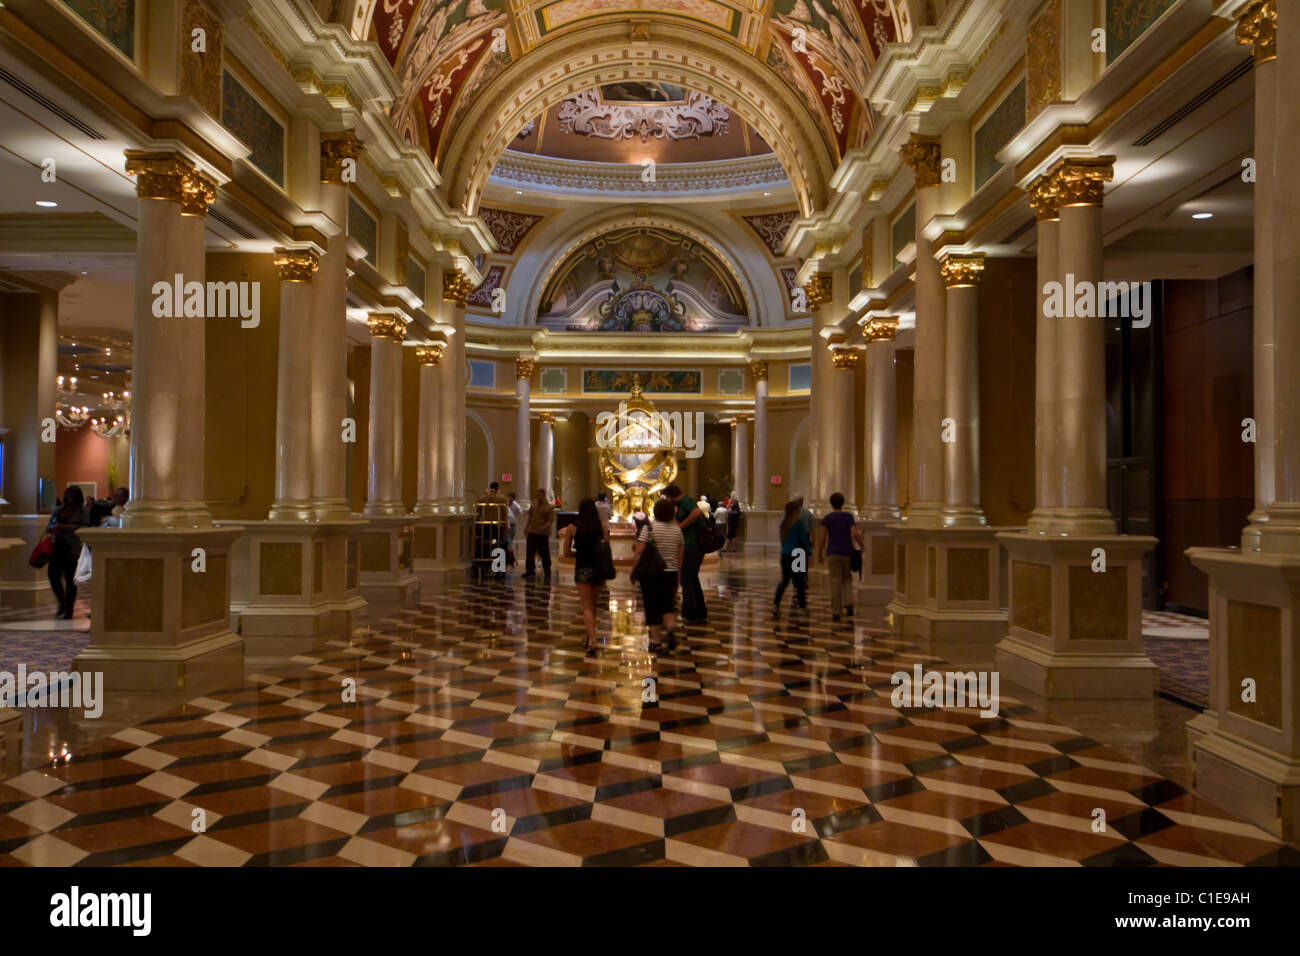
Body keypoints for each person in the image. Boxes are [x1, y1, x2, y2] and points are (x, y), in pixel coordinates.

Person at [634, 497, 684, 653]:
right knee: (668, 605)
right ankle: (669, 629)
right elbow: (680, 556)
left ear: (655, 512)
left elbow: (639, 551)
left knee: (652, 607)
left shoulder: (648, 528)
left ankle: (656, 643)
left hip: (651, 574)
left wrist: (634, 569)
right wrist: (678, 575)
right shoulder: (677, 530)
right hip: (671, 573)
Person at [562, 497, 609, 655]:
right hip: (598, 569)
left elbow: (566, 552)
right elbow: (606, 548)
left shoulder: (572, 527)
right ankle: (587, 636)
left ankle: (594, 642)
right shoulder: (601, 526)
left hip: (582, 568)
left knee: (587, 607)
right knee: (593, 606)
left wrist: (579, 554)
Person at [817, 492, 864, 622]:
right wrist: (862, 545)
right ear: (843, 503)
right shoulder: (848, 517)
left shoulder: (827, 518)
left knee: (835, 581)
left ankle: (836, 612)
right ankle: (849, 603)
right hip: (846, 553)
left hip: (832, 552)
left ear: (831, 503)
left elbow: (822, 538)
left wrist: (820, 552)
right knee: (847, 578)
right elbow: (854, 533)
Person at [665, 483, 707, 625]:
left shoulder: (686, 501)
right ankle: (699, 613)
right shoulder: (683, 503)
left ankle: (690, 613)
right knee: (692, 579)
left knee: (686, 580)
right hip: (691, 546)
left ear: (671, 496)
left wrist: (681, 525)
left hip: (692, 546)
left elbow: (696, 513)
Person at [45, 485, 87, 620]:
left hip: (73, 549)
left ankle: (69, 608)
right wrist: (54, 528)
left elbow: (86, 528)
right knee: (53, 576)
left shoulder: (83, 511)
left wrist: (66, 527)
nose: (70, 498)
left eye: (73, 495)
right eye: (68, 494)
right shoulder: (58, 510)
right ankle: (62, 603)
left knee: (71, 580)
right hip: (57, 548)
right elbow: (49, 526)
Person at [773, 499, 810, 616]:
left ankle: (776, 604)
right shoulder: (798, 523)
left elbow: (783, 541)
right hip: (798, 554)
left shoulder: (783, 523)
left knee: (784, 581)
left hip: (785, 554)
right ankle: (802, 607)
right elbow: (804, 540)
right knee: (800, 582)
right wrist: (810, 554)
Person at [523, 487, 554, 579]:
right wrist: (526, 527)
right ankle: (529, 570)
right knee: (530, 551)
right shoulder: (534, 504)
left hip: (543, 534)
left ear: (543, 495)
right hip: (533, 532)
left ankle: (547, 570)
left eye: (539, 495)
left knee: (544, 552)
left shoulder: (548, 507)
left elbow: (550, 520)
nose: (537, 496)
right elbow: (530, 516)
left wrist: (543, 527)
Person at [506, 492, 523, 561]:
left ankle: (509, 557)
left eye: (512, 498)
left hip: (513, 525)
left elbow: (520, 512)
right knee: (508, 541)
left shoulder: (516, 505)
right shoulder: (505, 505)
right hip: (506, 525)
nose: (510, 499)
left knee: (510, 541)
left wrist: (516, 511)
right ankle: (511, 558)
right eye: (509, 497)